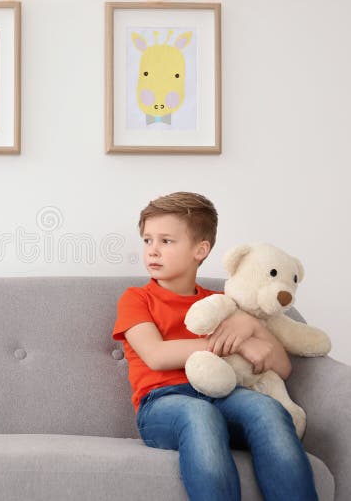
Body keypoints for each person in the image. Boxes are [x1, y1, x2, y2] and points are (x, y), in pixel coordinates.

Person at [112, 191, 318, 501]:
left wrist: (248, 327)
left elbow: (283, 367)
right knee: (198, 413)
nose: (153, 251)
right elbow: (156, 355)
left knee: (266, 407)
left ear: (200, 249)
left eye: (166, 241)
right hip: (163, 404)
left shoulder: (222, 303)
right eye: (147, 241)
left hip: (224, 395)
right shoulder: (136, 298)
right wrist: (236, 346)